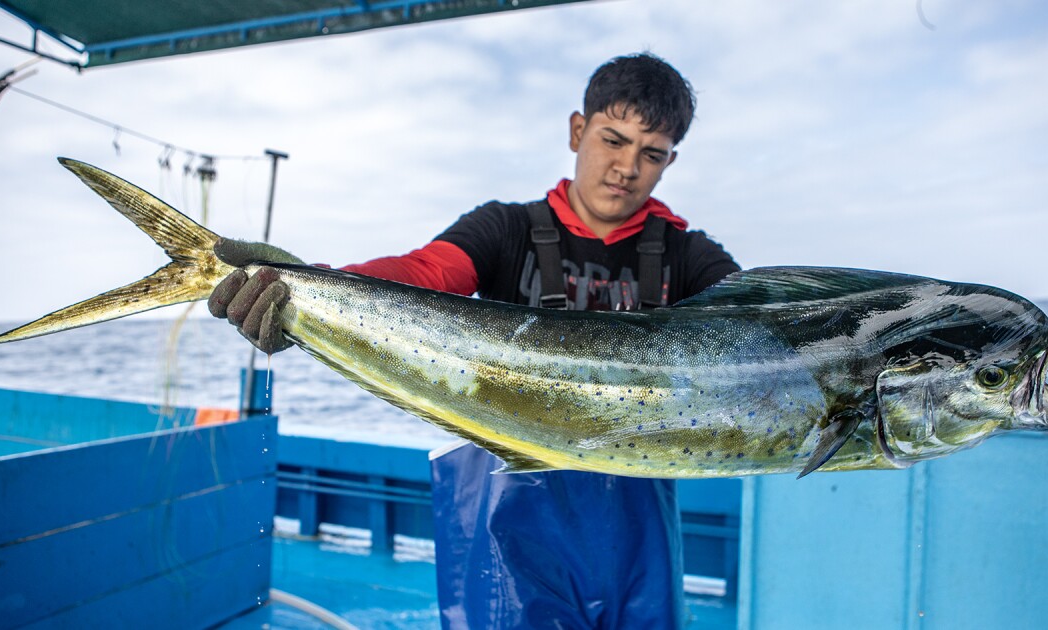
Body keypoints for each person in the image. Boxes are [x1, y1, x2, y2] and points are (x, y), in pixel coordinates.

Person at [210, 53, 740, 629]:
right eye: (613, 140)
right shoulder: (506, 228)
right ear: (577, 130)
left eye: (651, 153)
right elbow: (426, 272)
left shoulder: (689, 256)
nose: (626, 167)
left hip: (638, 542)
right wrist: (306, 290)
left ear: (669, 161)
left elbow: (768, 321)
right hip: (508, 534)